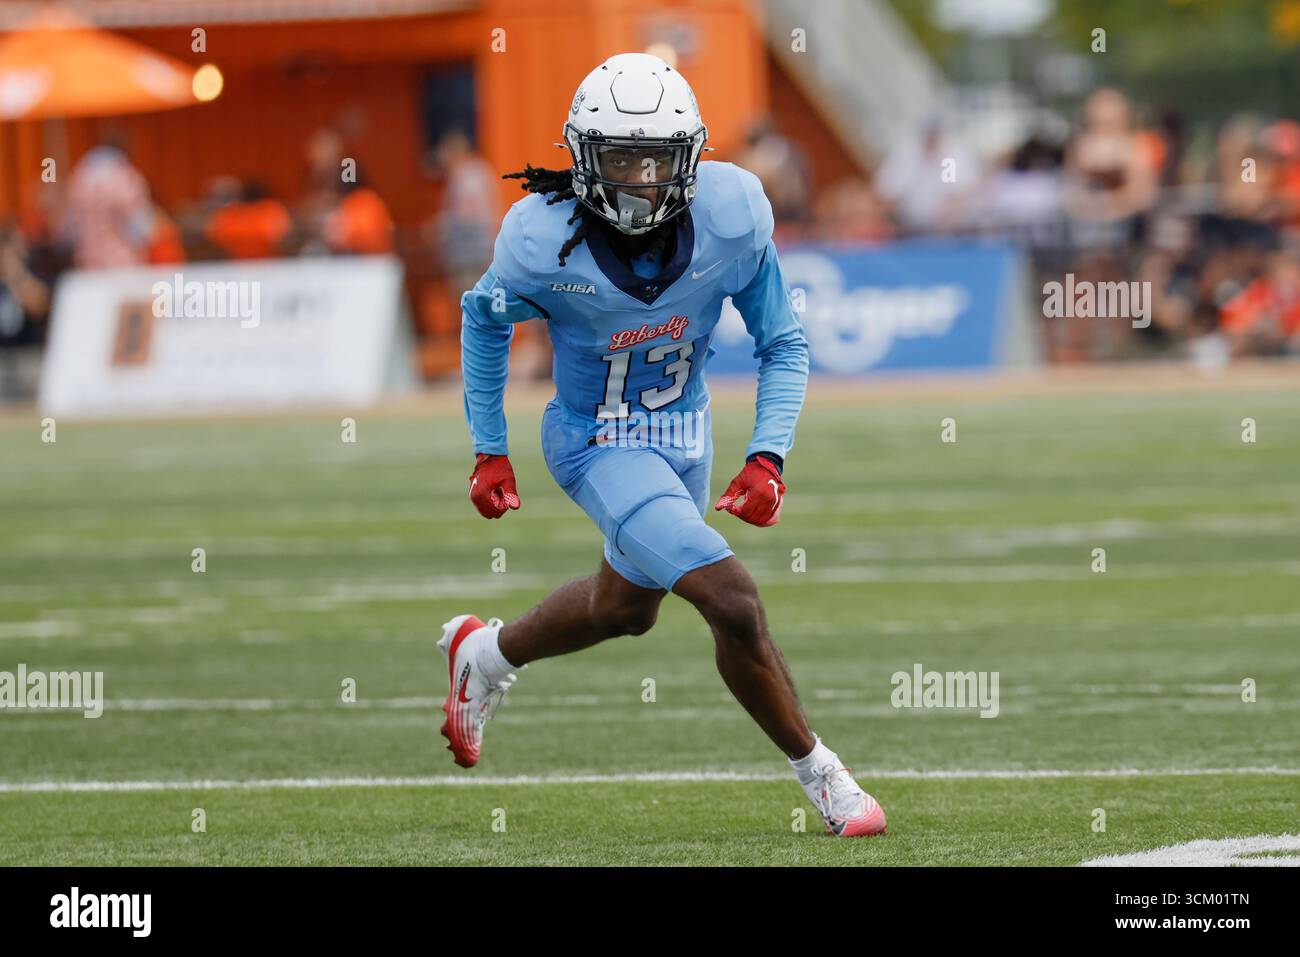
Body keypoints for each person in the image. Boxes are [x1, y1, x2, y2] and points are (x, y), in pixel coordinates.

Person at [440, 53, 886, 838]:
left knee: (625, 609)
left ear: (691, 157)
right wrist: (489, 446)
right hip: (594, 439)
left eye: (656, 159)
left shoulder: (734, 214)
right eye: (619, 159)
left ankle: (488, 653)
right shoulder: (541, 240)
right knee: (731, 599)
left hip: (687, 430)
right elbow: (483, 318)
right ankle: (827, 778)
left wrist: (767, 456)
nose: (640, 178)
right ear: (583, 159)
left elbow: (783, 340)